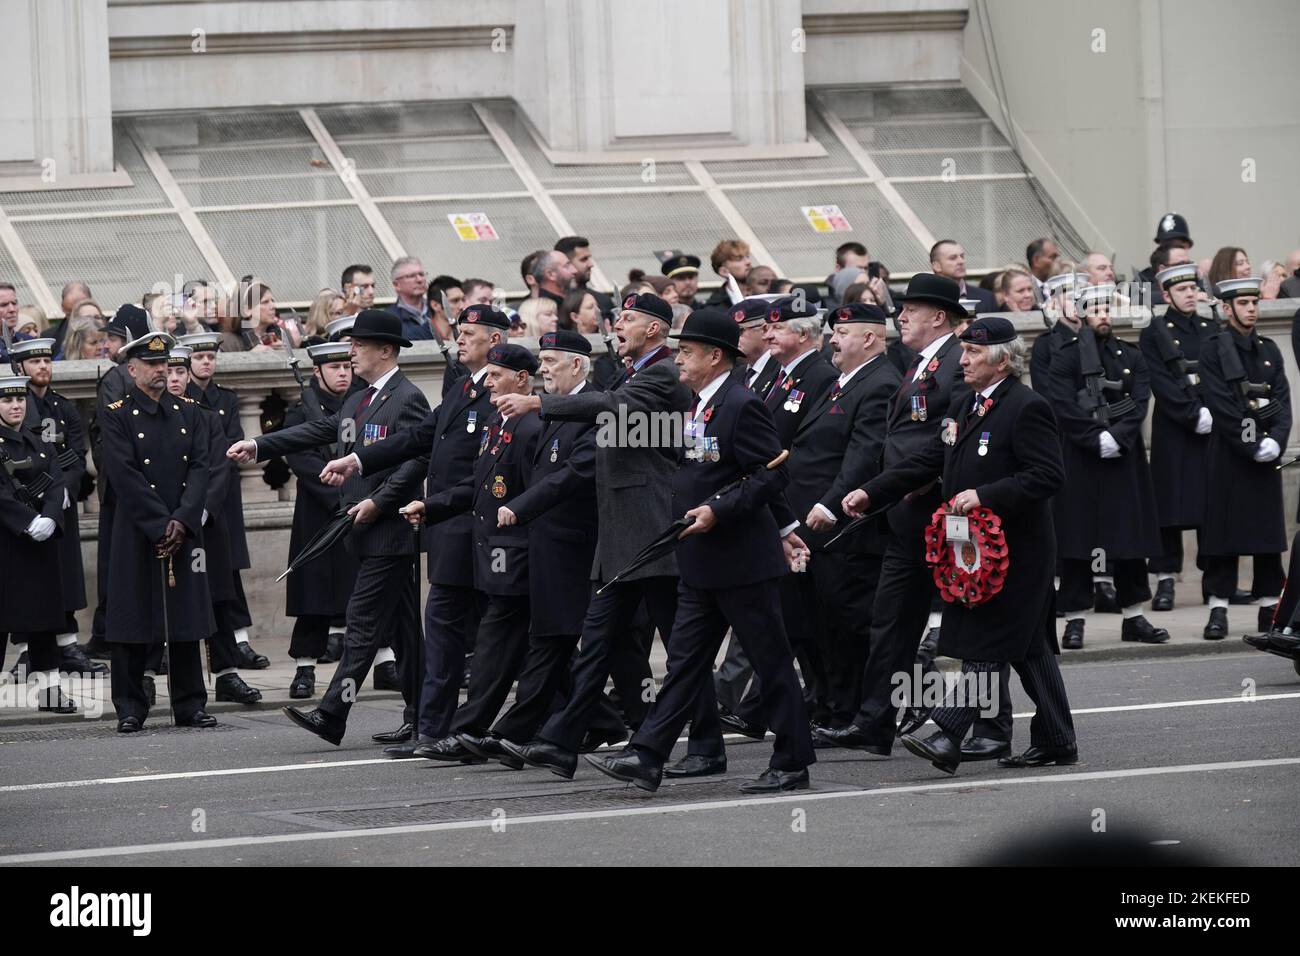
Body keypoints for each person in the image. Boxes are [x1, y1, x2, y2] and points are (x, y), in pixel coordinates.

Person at [584, 308, 813, 794]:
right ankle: (648, 756)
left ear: (715, 356)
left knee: (771, 662)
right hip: (699, 561)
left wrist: (720, 511)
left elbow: (770, 474)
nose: (679, 359)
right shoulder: (699, 404)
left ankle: (792, 759)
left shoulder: (739, 404)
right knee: (684, 665)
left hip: (740, 561)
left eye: (687, 352)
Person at [496, 293, 724, 779]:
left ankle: (705, 743)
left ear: (656, 330)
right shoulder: (633, 371)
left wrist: (539, 401)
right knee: (598, 638)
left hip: (649, 526)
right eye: (618, 316)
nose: (616, 324)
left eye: (629, 318)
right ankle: (563, 741)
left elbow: (616, 407)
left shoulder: (661, 372)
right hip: (620, 527)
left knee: (679, 646)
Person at [844, 317, 1075, 775]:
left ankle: (947, 731)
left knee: (988, 642)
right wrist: (874, 490)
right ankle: (1057, 739)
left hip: (1017, 551)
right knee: (1027, 648)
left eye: (971, 353)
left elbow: (1049, 476)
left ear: (1002, 361)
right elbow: (931, 458)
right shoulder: (965, 402)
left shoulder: (1026, 406)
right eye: (964, 351)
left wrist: (986, 495)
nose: (962, 359)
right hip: (971, 549)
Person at [228, 310, 430, 745]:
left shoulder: (406, 397)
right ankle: (424, 715)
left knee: (360, 623)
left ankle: (333, 712)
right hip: (364, 530)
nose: (351, 351)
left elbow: (417, 461)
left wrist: (379, 500)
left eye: (359, 345)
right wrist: (261, 445)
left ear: (386, 350)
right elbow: (320, 429)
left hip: (389, 531)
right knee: (406, 631)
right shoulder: (360, 399)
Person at [317, 305, 506, 753]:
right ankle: (434, 730)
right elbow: (417, 441)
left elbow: (484, 469)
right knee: (439, 632)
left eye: (469, 333)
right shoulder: (461, 388)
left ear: (494, 341)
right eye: (458, 332)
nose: (458, 340)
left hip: (483, 531)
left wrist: (392, 498)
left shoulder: (502, 395)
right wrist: (358, 459)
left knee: (513, 634)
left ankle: (572, 717)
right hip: (446, 530)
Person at [814, 274, 970, 756]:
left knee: (975, 624)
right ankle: (874, 722)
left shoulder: (956, 364)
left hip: (943, 516)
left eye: (910, 311)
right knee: (890, 621)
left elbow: (951, 438)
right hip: (903, 518)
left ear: (938, 317)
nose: (899, 317)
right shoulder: (919, 364)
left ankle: (990, 725)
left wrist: (903, 485)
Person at [736, 303, 900, 736]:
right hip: (808, 519)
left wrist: (830, 503)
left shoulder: (879, 381)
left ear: (867, 338)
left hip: (840, 522)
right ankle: (831, 706)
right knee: (817, 621)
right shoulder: (848, 379)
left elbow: (862, 452)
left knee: (847, 622)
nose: (833, 339)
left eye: (842, 333)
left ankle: (855, 713)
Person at [399, 343, 543, 760]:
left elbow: (542, 492)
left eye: (496, 376)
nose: (488, 383)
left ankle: (469, 732)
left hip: (520, 556)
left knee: (509, 649)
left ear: (522, 380)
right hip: (496, 554)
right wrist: (432, 506)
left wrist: (516, 516)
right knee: (533, 650)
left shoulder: (530, 428)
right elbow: (478, 487)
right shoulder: (500, 425)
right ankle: (590, 721)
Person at [479, 330, 617, 758]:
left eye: (552, 362)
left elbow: (576, 473)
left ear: (577, 365)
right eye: (542, 362)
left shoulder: (597, 409)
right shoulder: (553, 411)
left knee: (556, 642)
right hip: (546, 544)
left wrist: (521, 506)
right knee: (554, 640)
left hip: (575, 544)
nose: (543, 370)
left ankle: (513, 732)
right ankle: (602, 722)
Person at [99, 331, 216, 733]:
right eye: (152, 365)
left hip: (179, 526)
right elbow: (123, 473)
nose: (161, 370)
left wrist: (183, 520)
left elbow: (202, 467)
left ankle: (190, 703)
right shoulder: (115, 413)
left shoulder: (189, 411)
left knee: (185, 618)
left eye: (165, 364)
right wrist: (158, 524)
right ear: (132, 370)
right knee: (132, 617)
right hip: (136, 528)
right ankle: (130, 705)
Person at [1046, 285, 1168, 649]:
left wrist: (1119, 436)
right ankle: (1075, 617)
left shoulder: (1128, 354)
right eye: (1095, 308)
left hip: (1122, 458)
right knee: (1077, 541)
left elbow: (1140, 398)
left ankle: (1133, 615)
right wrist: (1093, 437)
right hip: (1082, 460)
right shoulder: (1066, 357)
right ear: (1082, 314)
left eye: (1106, 308)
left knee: (1128, 538)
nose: (1102, 314)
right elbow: (1062, 404)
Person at [161, 346, 262, 705]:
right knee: (164, 602)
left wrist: (200, 512)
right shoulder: (147, 418)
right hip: (167, 523)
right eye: (167, 372)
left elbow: (220, 467)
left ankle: (225, 674)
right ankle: (149, 678)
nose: (173, 378)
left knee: (217, 597)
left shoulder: (205, 415)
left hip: (204, 522)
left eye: (179, 372)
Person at [1198, 277, 1290, 640]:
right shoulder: (1213, 350)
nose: (1251, 308)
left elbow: (1282, 400)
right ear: (1226, 308)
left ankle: (1270, 609)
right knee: (1223, 537)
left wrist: (1277, 440)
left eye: (1255, 302)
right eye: (1243, 302)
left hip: (1266, 455)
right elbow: (1221, 404)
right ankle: (1218, 610)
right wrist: (1253, 443)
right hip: (1229, 457)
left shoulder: (1269, 350)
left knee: (1267, 540)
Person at [8, 338, 101, 676]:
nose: (43, 367)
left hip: (58, 506)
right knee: (25, 584)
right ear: (20, 368)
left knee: (63, 576)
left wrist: (63, 491)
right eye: (35, 362)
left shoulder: (63, 408)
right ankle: (26, 651)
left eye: (47, 360)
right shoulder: (15, 407)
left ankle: (67, 645)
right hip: (25, 510)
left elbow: (75, 454)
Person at [280, 340, 358, 698]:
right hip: (318, 512)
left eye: (347, 366)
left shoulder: (363, 405)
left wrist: (355, 495)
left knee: (363, 590)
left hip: (357, 507)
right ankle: (305, 668)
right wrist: (338, 495)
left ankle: (386, 660)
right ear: (317, 371)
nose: (343, 373)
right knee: (313, 594)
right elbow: (302, 460)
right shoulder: (300, 412)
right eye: (334, 368)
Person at [1139, 264, 1218, 612]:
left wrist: (1213, 411)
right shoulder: (1155, 330)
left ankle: (1215, 582)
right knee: (1169, 508)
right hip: (1175, 426)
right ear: (1166, 294)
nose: (1189, 294)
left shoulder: (1211, 328)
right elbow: (1159, 379)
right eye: (1181, 290)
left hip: (1210, 425)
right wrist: (1192, 413)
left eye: (1192, 288)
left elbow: (1220, 373)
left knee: (1209, 506)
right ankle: (1166, 580)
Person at [0, 373, 79, 713]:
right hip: (8, 546)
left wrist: (51, 517)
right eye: (7, 400)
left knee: (45, 623)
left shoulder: (38, 441)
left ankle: (49, 691)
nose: (15, 406)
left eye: (20, 400)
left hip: (42, 546)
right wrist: (28, 521)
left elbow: (58, 481)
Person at [930, 240, 998, 313]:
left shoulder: (986, 297)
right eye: (953, 258)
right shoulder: (924, 298)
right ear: (937, 266)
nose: (961, 261)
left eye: (962, 256)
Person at [386, 257, 433, 342]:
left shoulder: (438, 311)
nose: (419, 280)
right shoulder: (388, 319)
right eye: (411, 276)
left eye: (421, 274)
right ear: (396, 285)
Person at [703, 239, 752, 307]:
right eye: (739, 259)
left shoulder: (766, 294)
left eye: (747, 256)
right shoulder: (712, 308)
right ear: (723, 271)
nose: (748, 262)